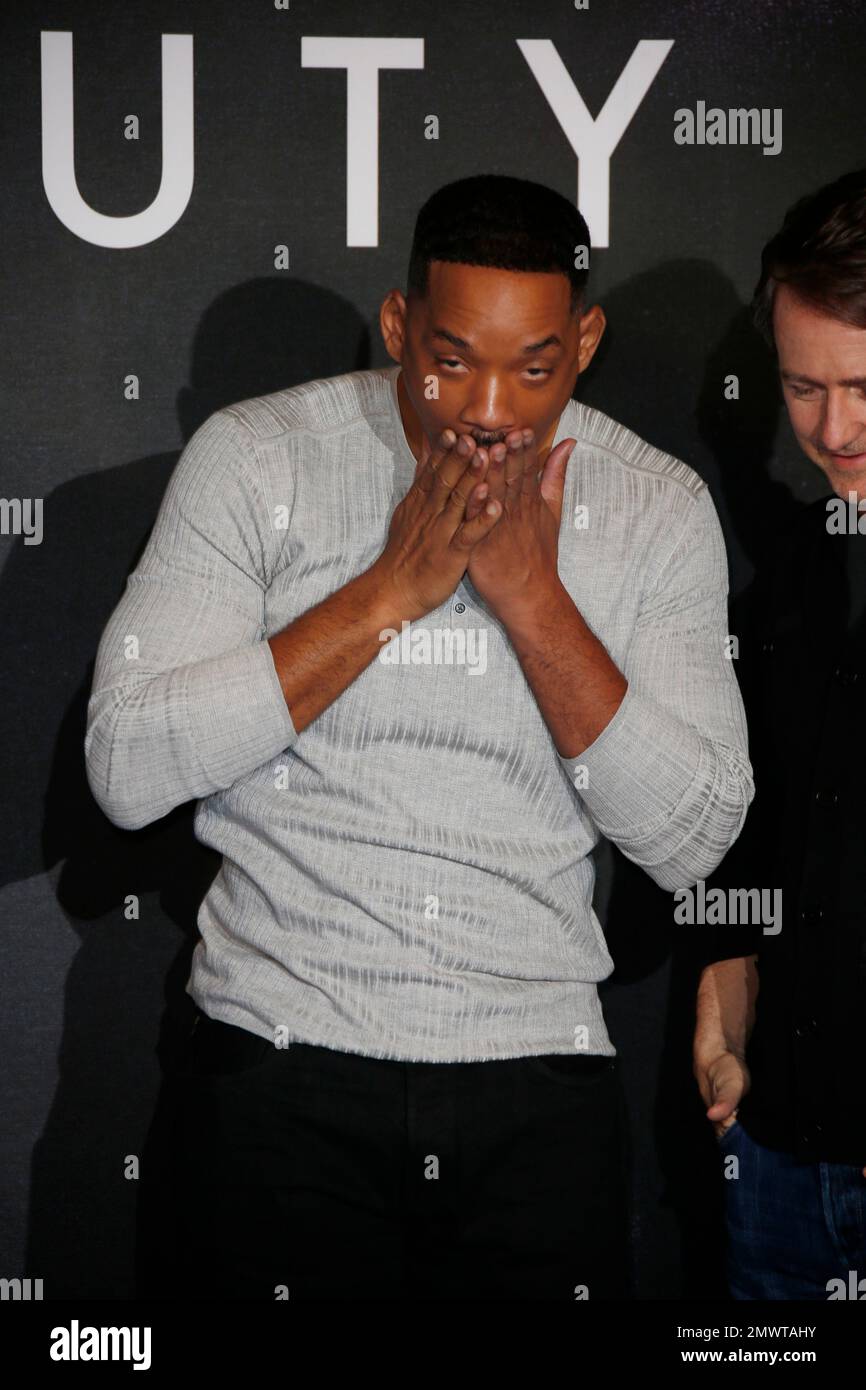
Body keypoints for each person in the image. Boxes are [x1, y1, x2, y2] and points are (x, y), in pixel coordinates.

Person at [85, 173, 753, 1300]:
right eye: (451, 359)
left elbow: (693, 838)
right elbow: (126, 764)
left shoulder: (655, 506)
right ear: (398, 326)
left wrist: (533, 596)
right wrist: (386, 591)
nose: (489, 407)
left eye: (534, 367)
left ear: (583, 341)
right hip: (275, 1067)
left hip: (538, 1086)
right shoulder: (260, 459)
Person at [692, 168, 866, 1301]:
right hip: (775, 1161)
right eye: (802, 388)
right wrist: (717, 1043)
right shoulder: (792, 573)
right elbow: (752, 853)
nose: (832, 428)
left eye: (861, 385)